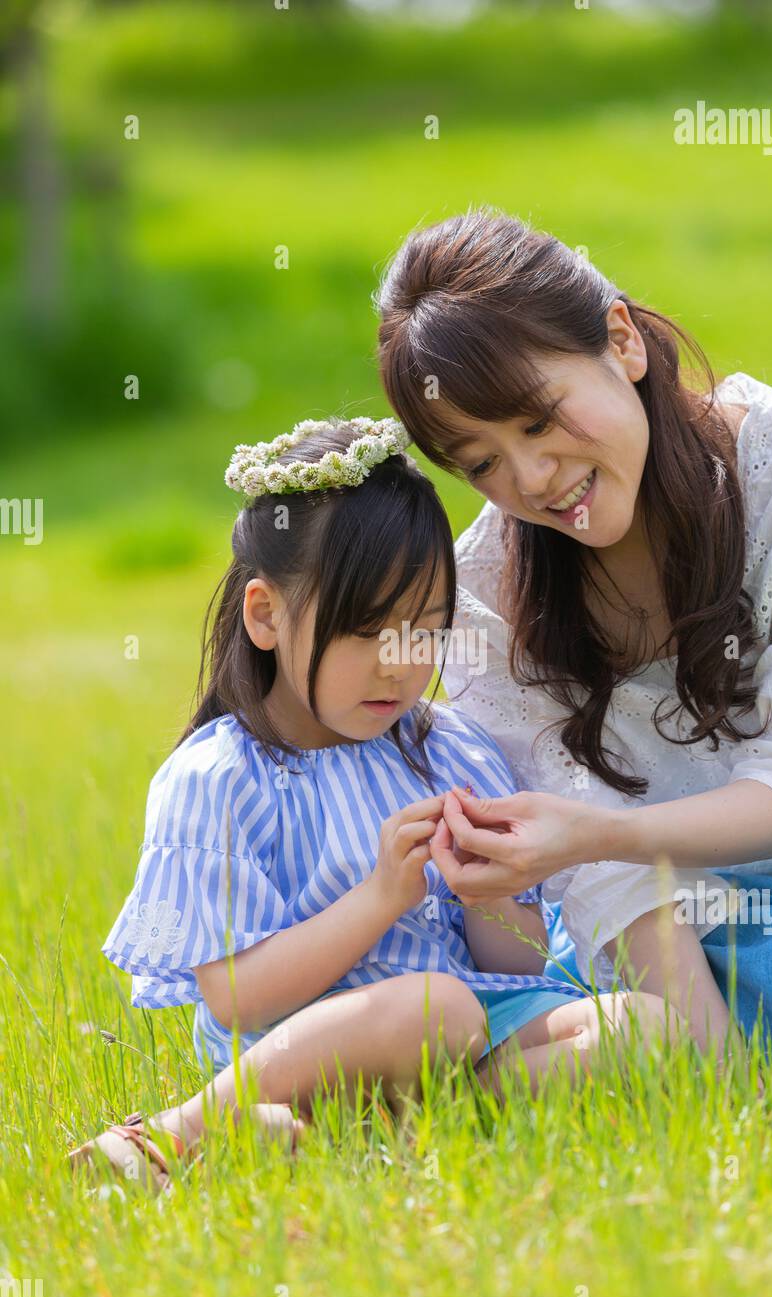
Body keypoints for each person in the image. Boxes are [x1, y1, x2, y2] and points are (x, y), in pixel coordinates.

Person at [68, 414, 688, 1195]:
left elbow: (519, 965)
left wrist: (487, 893)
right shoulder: (222, 778)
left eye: (425, 633)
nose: (400, 666)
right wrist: (379, 899)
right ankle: (181, 1128)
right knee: (438, 1011)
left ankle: (388, 1132)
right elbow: (232, 997)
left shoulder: (446, 749)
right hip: (305, 1046)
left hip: (472, 1025)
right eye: (367, 631)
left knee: (648, 1028)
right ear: (265, 615)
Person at [376, 207, 772, 1070]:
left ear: (622, 341)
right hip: (669, 937)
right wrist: (719, 1076)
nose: (529, 479)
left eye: (536, 421)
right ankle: (726, 1069)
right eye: (481, 463)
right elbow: (595, 871)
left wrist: (594, 835)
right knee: (614, 1009)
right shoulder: (487, 594)